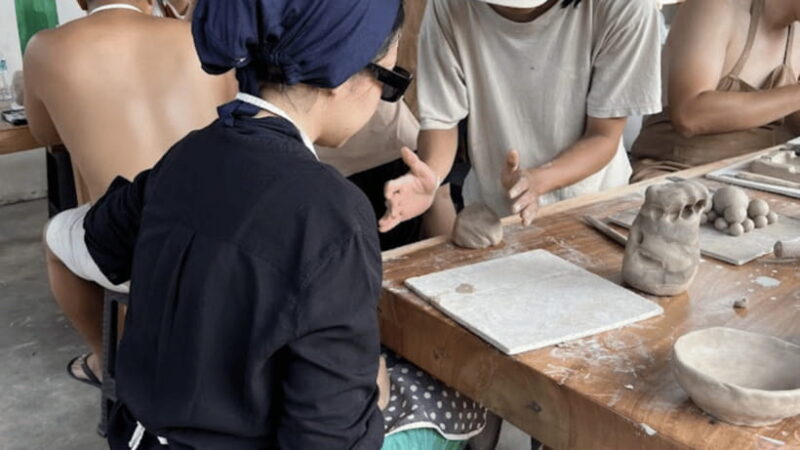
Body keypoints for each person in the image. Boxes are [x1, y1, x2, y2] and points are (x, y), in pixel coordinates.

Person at [82, 0, 486, 448]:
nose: (380, 101)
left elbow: (97, 240)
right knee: (460, 397)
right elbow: (327, 438)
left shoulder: (187, 155)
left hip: (140, 434)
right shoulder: (331, 212)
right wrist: (374, 387)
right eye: (388, 82)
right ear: (342, 75)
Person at [24, 0, 236, 386]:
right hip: (225, 239)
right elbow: (232, 116)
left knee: (55, 236)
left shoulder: (45, 47)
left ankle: (108, 360)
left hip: (134, 252)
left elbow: (46, 136)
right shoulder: (197, 36)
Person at [378, 0, 662, 236]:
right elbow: (442, 120)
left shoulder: (624, 7)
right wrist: (431, 176)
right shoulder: (450, 6)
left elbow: (603, 136)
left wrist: (539, 179)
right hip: (493, 211)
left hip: (597, 206)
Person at [631, 0, 800, 181]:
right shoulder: (716, 6)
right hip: (681, 175)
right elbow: (690, 115)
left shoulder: (795, 29)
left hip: (763, 175)